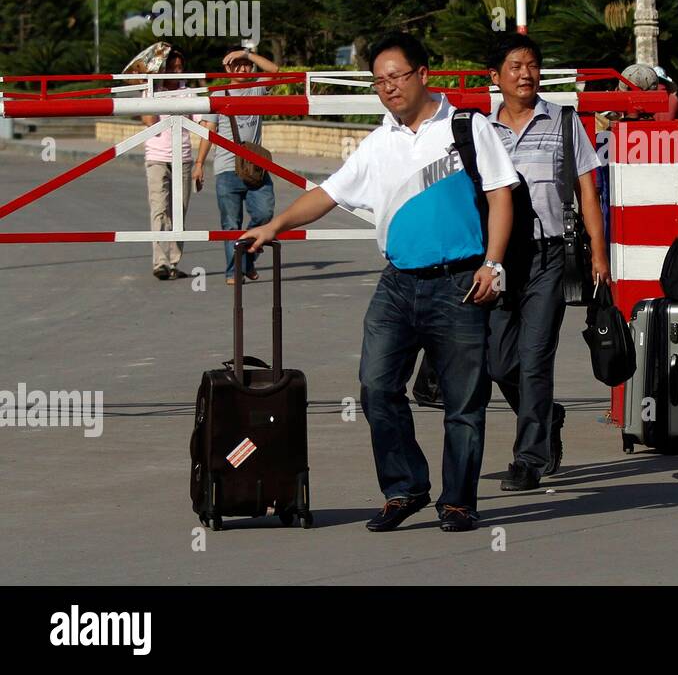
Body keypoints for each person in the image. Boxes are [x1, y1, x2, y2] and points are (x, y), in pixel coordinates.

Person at [242, 34, 517, 533]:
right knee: (376, 387)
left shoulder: (467, 127)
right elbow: (328, 193)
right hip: (398, 284)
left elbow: (501, 196)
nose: (388, 87)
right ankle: (405, 487)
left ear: (423, 74)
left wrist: (493, 264)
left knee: (463, 401)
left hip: (460, 280)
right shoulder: (378, 142)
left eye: (397, 76)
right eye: (379, 80)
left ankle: (457, 502)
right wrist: (273, 226)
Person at [485, 37, 610, 490]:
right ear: (494, 77)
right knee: (499, 363)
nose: (525, 74)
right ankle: (547, 415)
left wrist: (599, 254)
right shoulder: (482, 129)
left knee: (535, 357)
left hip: (549, 255)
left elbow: (587, 191)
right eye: (515, 66)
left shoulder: (563, 120)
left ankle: (529, 458)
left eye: (532, 66)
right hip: (498, 260)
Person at [198, 49, 280, 286]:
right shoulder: (218, 93)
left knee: (264, 214)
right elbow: (208, 132)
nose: (243, 69)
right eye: (237, 65)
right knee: (230, 224)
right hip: (226, 168)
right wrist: (200, 163)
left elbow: (274, 71)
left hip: (255, 167)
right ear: (227, 69)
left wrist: (246, 53)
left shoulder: (256, 89)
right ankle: (234, 271)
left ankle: (247, 258)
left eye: (247, 65)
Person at [139, 48, 205, 280]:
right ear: (162, 69)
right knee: (158, 210)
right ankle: (160, 263)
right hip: (157, 157)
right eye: (172, 67)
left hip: (183, 158)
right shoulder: (151, 92)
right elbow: (148, 121)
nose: (177, 71)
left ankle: (175, 263)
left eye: (180, 67)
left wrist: (200, 162)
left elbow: (204, 123)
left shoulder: (188, 94)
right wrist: (148, 89)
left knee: (179, 214)